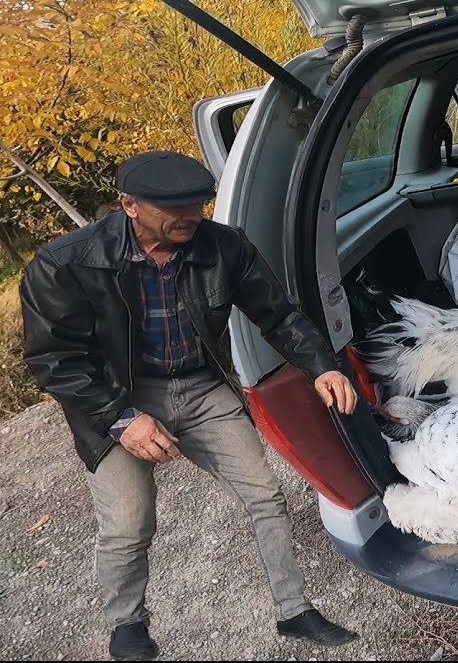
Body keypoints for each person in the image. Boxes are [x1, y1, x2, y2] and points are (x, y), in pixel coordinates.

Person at [20, 151, 362, 661]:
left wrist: (323, 365)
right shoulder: (65, 264)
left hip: (202, 388)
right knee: (130, 522)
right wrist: (121, 419)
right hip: (116, 398)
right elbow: (56, 361)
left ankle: (294, 611)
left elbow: (278, 315)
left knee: (266, 494)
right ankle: (127, 625)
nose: (191, 217)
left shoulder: (223, 246)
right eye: (174, 208)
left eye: (198, 204)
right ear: (128, 206)